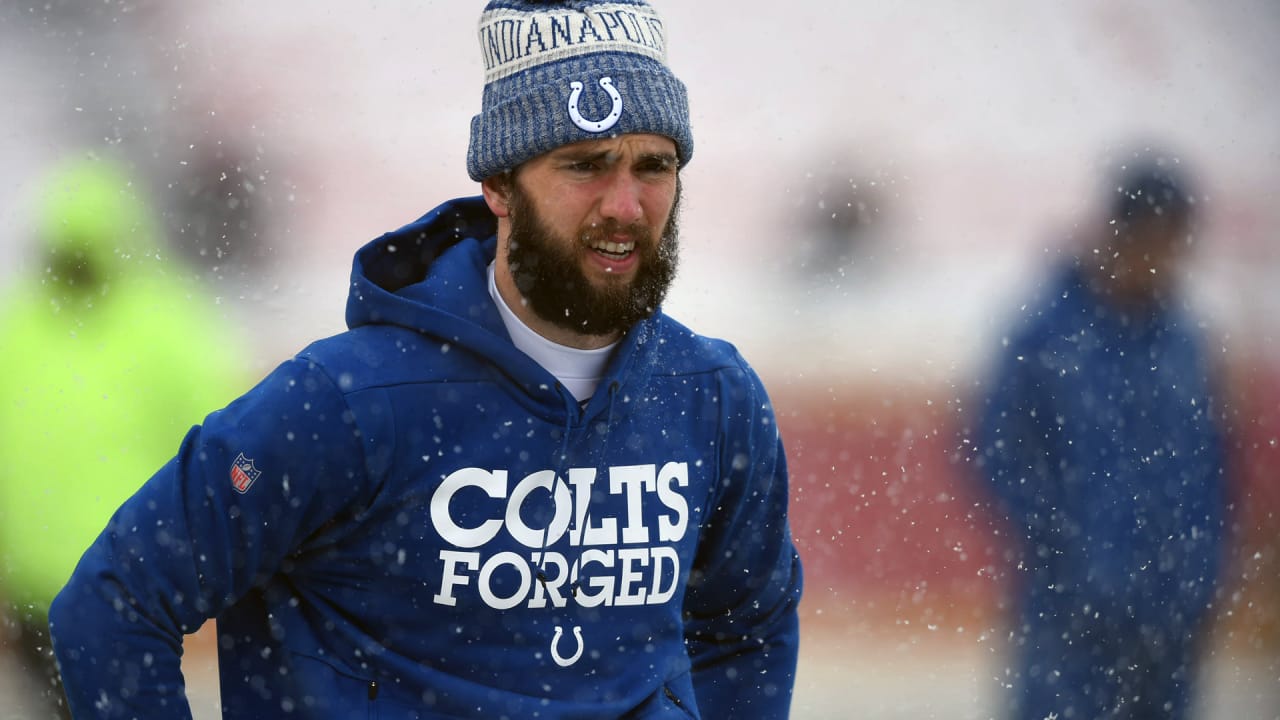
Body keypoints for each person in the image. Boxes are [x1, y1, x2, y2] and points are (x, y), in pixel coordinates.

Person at [50, 2, 805, 718]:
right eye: (585, 165)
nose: (625, 205)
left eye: (654, 165)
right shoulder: (345, 402)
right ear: (500, 186)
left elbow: (747, 630)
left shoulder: (712, 397)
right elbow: (115, 601)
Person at [975, 151, 1228, 719]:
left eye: (1175, 244)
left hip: (1171, 616)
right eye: (1154, 241)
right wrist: (1064, 552)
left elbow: (1213, 464)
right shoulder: (1045, 334)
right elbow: (994, 451)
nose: (1163, 260)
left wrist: (1202, 570)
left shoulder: (1186, 339)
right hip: (1070, 617)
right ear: (1120, 234)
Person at [0, 154, 247, 718]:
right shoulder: (168, 321)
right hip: (120, 576)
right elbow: (220, 448)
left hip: (97, 582)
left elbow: (217, 449)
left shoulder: (18, 329)